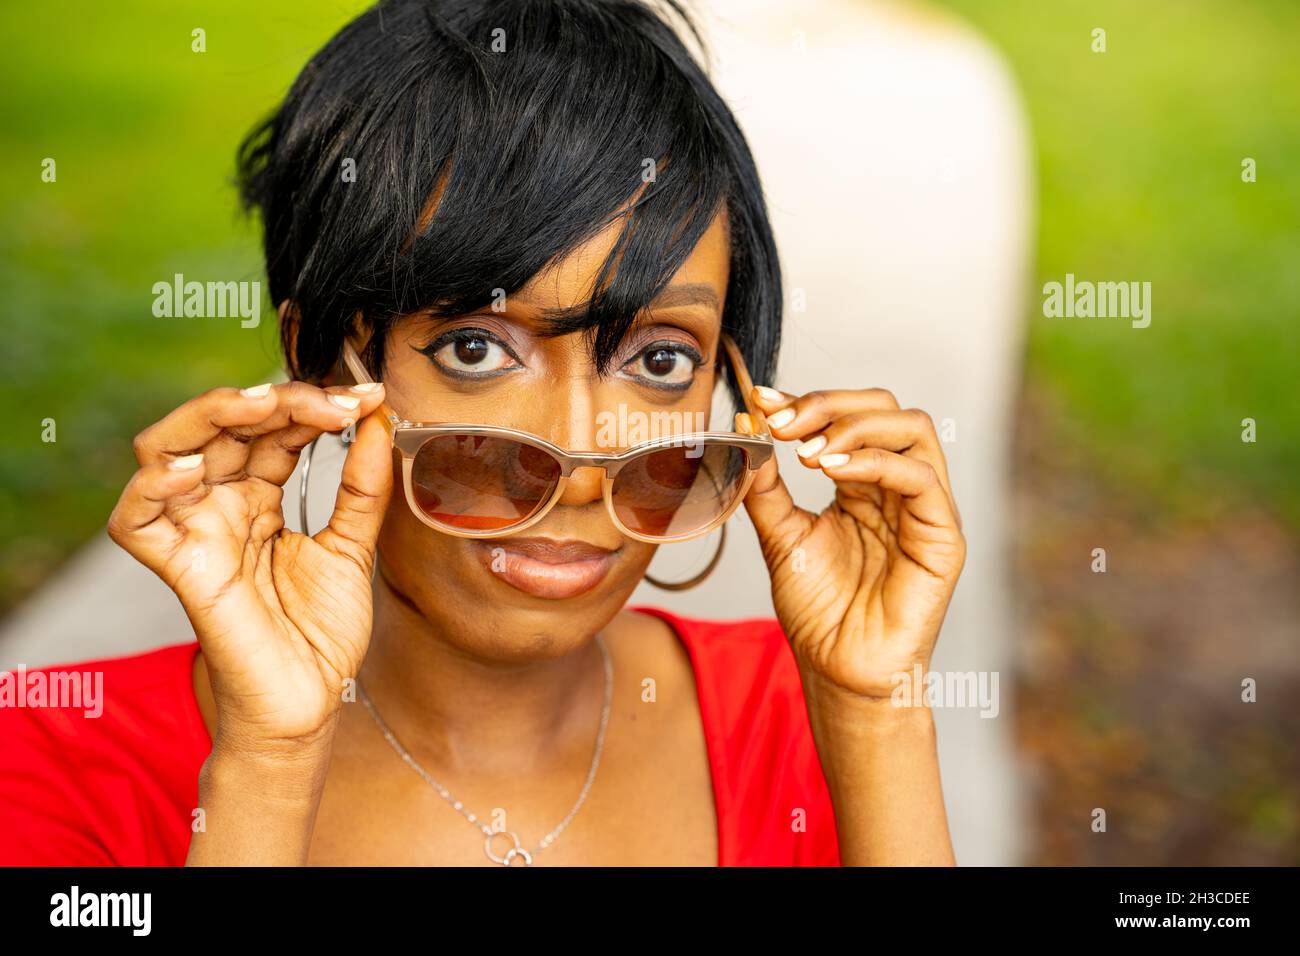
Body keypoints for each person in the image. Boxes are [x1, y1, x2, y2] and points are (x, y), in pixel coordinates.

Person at [0, 0, 964, 866]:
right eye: (475, 348)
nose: (581, 463)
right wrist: (270, 757)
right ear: (327, 365)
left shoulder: (793, 711)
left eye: (661, 360)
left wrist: (877, 717)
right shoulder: (51, 752)